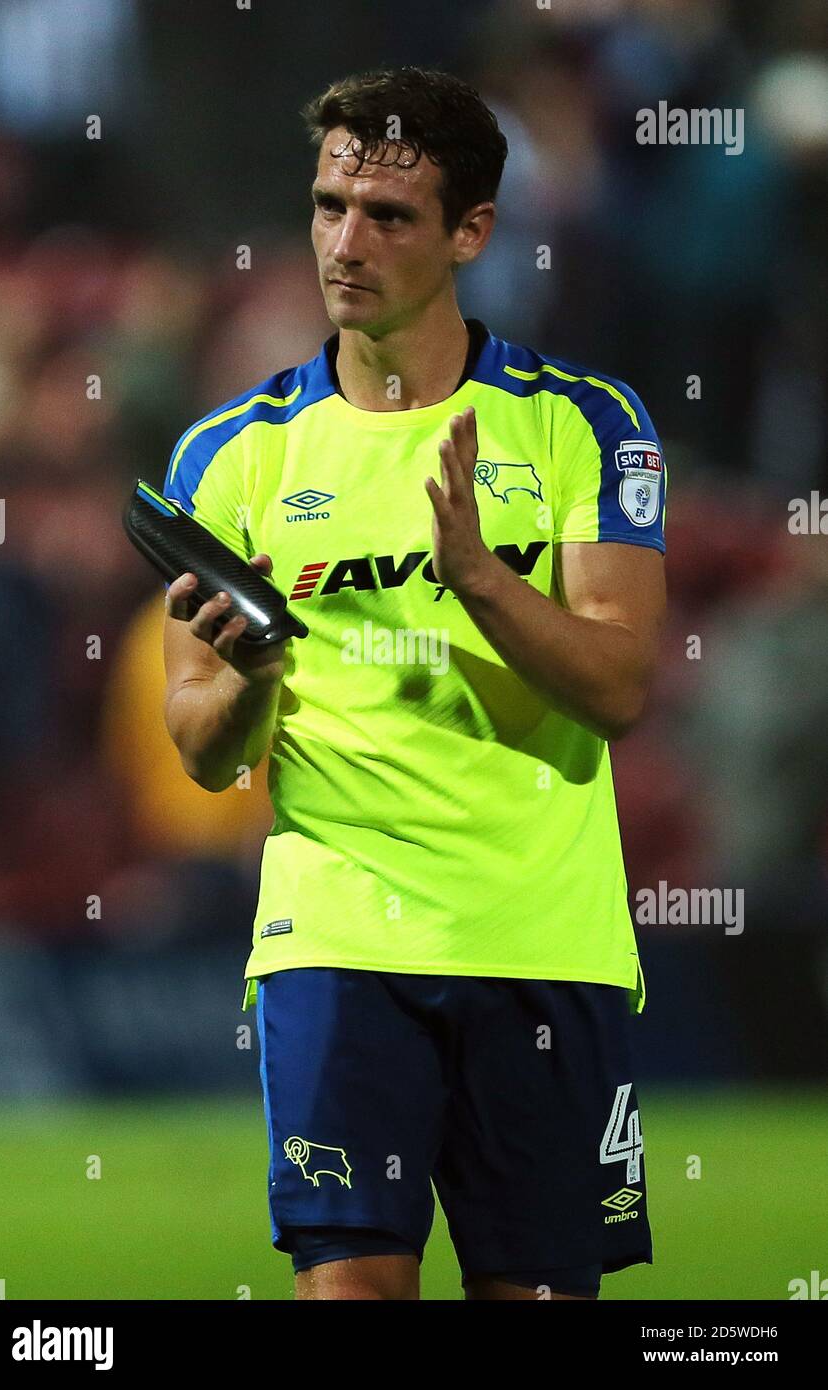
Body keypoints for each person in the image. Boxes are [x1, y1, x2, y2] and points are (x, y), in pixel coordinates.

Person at [161, 67, 667, 1301]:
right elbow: (199, 744)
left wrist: (482, 581)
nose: (345, 239)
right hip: (334, 931)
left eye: (387, 215)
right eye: (330, 204)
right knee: (351, 1288)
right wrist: (247, 678)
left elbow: (617, 688)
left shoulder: (584, 425)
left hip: (539, 933)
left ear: (470, 232)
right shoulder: (230, 453)